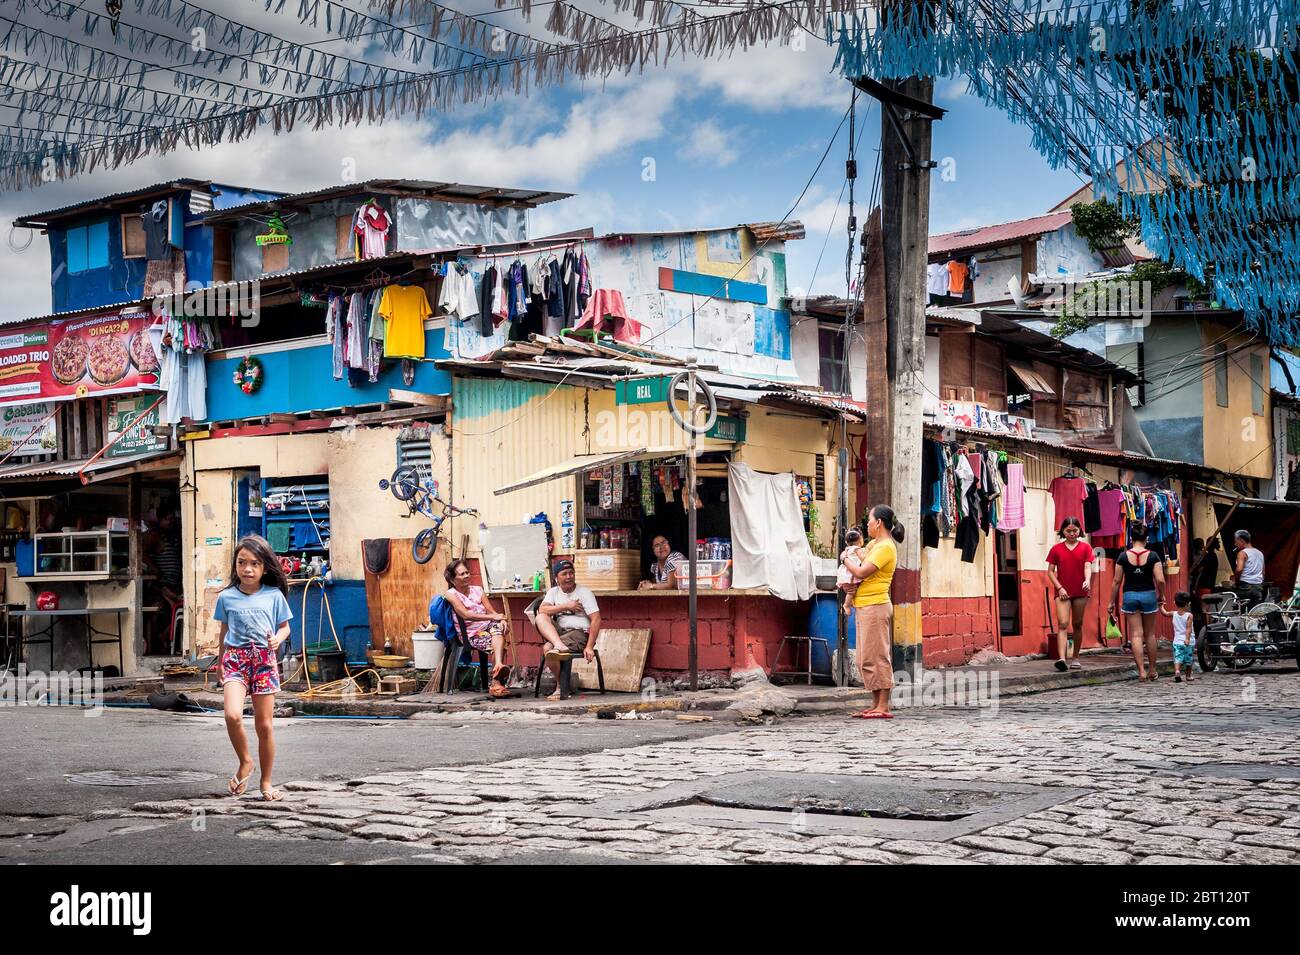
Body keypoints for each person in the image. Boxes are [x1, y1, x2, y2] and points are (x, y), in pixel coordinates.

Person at [215, 534, 292, 801]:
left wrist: (277, 639)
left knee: (265, 726)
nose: (247, 569)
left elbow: (285, 627)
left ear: (264, 567)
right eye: (242, 562)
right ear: (235, 566)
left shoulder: (274, 595)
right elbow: (224, 630)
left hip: (263, 663)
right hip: (235, 661)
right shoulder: (226, 597)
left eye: (255, 563)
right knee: (232, 715)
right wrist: (219, 661)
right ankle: (245, 761)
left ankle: (267, 783)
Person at [844, 505, 903, 719]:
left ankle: (884, 706)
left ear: (879, 523)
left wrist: (844, 559)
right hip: (864, 605)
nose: (867, 524)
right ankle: (875, 703)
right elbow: (859, 563)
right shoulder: (872, 545)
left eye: (869, 520)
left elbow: (861, 571)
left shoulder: (886, 547)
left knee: (878, 655)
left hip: (876, 605)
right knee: (865, 657)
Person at [1107, 524, 1166, 682]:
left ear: (1131, 539)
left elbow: (1116, 581)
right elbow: (1160, 579)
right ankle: (1152, 670)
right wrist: (1162, 595)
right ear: (1147, 538)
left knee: (1136, 635)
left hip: (1130, 596)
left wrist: (1111, 602)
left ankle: (1141, 671)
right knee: (1150, 634)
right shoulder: (1154, 556)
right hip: (1148, 595)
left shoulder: (1123, 557)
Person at [442, 559, 510, 697]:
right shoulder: (451, 594)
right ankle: (496, 681)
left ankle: (497, 667)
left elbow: (491, 612)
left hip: (486, 627)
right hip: (469, 633)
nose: (466, 575)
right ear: (453, 579)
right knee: (498, 635)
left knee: (499, 628)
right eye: (462, 574)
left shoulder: (478, 590)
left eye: (467, 572)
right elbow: (466, 615)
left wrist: (501, 619)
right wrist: (494, 618)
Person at [535, 559, 601, 700]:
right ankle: (558, 646)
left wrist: (589, 646)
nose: (569, 577)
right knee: (541, 617)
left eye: (571, 573)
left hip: (579, 633)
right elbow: (543, 609)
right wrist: (567, 606)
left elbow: (596, 619)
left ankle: (560, 687)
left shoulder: (584, 592)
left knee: (548, 648)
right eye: (564, 574)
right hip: (561, 634)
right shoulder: (553, 592)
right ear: (556, 578)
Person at [1046, 516, 1093, 672]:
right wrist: (1059, 587)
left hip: (1080, 591)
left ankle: (1076, 658)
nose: (1072, 533)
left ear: (1079, 531)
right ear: (1063, 531)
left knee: (1077, 624)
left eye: (1075, 530)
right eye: (1068, 530)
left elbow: (1088, 566)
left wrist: (1087, 580)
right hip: (1063, 592)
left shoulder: (1086, 547)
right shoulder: (1056, 549)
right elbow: (1051, 572)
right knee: (1063, 624)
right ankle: (1061, 658)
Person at [1162, 591, 1196, 683]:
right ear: (1188, 604)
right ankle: (1188, 676)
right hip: (1188, 642)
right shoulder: (1189, 615)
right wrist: (1187, 639)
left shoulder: (1174, 614)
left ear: (1174, 602)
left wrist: (1160, 605)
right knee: (1189, 659)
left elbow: (1164, 613)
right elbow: (1188, 628)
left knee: (1178, 657)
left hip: (1177, 641)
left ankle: (1177, 671)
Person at [1231, 529, 1266, 605]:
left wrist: (1235, 582)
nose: (1235, 544)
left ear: (1241, 540)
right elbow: (1263, 572)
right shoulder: (1260, 553)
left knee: (1240, 612)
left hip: (1245, 587)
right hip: (1258, 587)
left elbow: (1239, 570)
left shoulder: (1242, 553)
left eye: (1236, 541)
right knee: (1254, 613)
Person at [837, 528, 865, 615]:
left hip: (845, 575)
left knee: (850, 591)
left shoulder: (846, 550)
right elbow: (864, 559)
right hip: (851, 575)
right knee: (851, 591)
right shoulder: (857, 549)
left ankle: (849, 603)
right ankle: (846, 605)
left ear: (846, 542)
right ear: (860, 540)